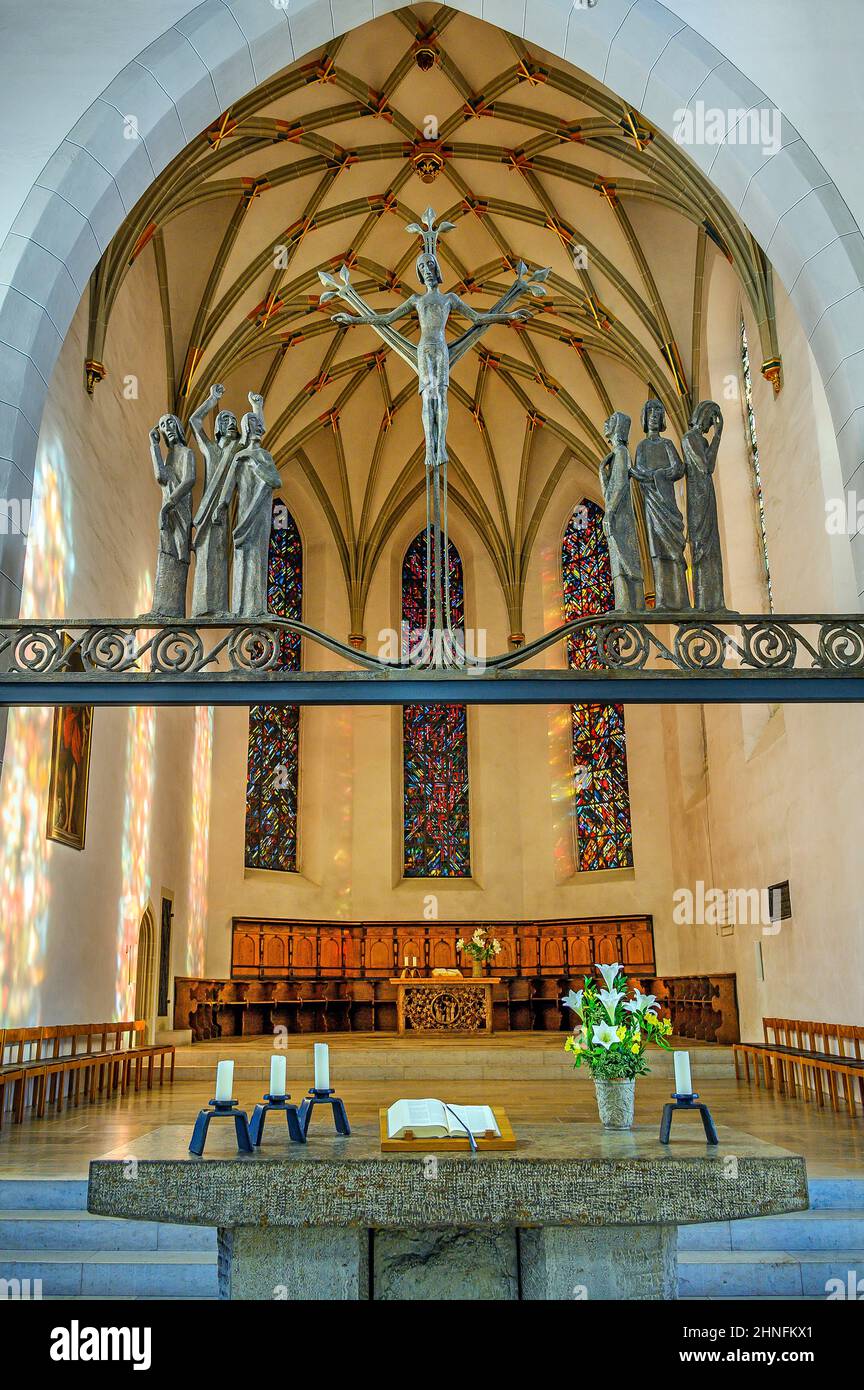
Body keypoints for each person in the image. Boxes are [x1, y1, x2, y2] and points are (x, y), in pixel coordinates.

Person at [217, 396, 281, 618]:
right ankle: (240, 609)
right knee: (242, 555)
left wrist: (255, 463)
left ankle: (256, 608)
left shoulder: (263, 456)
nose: (257, 428)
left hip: (260, 515)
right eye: (252, 424)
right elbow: (228, 488)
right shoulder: (239, 457)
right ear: (246, 429)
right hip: (243, 513)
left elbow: (275, 481)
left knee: (258, 556)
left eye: (257, 424)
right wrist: (220, 507)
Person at [630, 398, 690, 610]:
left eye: (658, 413)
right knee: (657, 551)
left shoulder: (667, 444)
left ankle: (682, 600)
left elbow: (679, 468)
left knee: (674, 551)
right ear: (645, 419)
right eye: (650, 413)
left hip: (667, 504)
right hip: (652, 505)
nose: (654, 417)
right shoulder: (643, 446)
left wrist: (660, 474)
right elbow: (638, 472)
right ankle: (664, 601)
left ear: (662, 418)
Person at [189, 383, 242, 617]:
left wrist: (256, 409)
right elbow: (194, 422)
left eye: (233, 420)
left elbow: (254, 436)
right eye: (226, 420)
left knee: (219, 555)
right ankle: (202, 607)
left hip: (221, 512)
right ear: (219, 428)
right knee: (206, 556)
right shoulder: (210, 449)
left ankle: (219, 607)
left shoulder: (236, 452)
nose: (231, 423)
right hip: (205, 513)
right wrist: (211, 400)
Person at [143, 413, 195, 619]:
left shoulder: (187, 452)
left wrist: (169, 505)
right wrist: (154, 446)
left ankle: (175, 611)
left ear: (179, 428)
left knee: (178, 553)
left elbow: (189, 479)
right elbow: (161, 476)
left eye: (171, 423)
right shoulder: (169, 456)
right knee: (165, 553)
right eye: (163, 425)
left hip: (179, 510)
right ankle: (161, 609)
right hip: (169, 510)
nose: (168, 428)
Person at [683, 400, 726, 611]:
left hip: (707, 494)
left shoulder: (703, 441)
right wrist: (718, 435)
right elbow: (706, 465)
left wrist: (715, 438)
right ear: (703, 416)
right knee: (701, 547)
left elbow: (709, 464)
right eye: (711, 419)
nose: (712, 424)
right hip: (697, 498)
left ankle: (716, 602)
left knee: (713, 546)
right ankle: (702, 603)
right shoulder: (689, 438)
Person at [599, 411, 645, 610]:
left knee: (623, 556)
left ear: (617, 426)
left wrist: (609, 512)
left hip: (620, 515)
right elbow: (612, 488)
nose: (605, 423)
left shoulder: (621, 452)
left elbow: (619, 486)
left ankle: (628, 605)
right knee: (619, 557)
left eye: (610, 421)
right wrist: (603, 471)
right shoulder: (617, 454)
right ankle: (624, 604)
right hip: (617, 513)